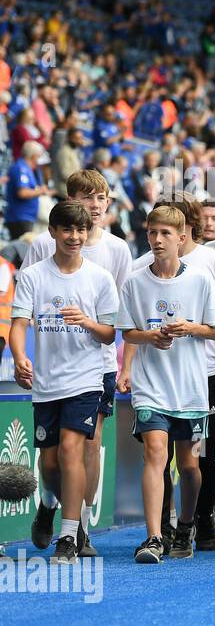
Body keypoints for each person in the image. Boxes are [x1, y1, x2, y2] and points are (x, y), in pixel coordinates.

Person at [25, 170, 132, 557]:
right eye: (86, 197)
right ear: (69, 199)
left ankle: (79, 528)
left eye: (101, 197)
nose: (95, 204)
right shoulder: (42, 244)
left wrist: (122, 360)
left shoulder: (117, 250)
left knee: (88, 446)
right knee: (52, 458)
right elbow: (32, 301)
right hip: (55, 363)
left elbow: (116, 311)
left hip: (97, 362)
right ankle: (49, 504)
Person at [10, 201, 119, 564]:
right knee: (51, 462)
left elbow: (108, 335)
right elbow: (19, 325)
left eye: (81, 230)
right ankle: (49, 504)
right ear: (53, 232)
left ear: (87, 234)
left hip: (86, 381)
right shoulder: (33, 276)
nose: (75, 237)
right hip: (46, 383)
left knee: (73, 452)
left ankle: (69, 536)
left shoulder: (99, 278)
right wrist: (21, 357)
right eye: (67, 230)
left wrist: (87, 322)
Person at [118, 205, 215, 563]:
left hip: (192, 390)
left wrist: (190, 328)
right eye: (152, 233)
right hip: (152, 389)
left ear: (182, 237)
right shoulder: (134, 281)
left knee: (191, 466)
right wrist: (149, 336)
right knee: (155, 454)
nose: (157, 240)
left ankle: (186, 525)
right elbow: (128, 332)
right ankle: (153, 537)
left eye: (165, 234)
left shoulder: (201, 280)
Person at [6, 140, 51, 240]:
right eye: (39, 156)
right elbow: (22, 192)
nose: (39, 159)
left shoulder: (26, 168)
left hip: (25, 216)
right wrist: (41, 191)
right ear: (33, 155)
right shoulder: (21, 168)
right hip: (20, 217)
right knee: (22, 250)